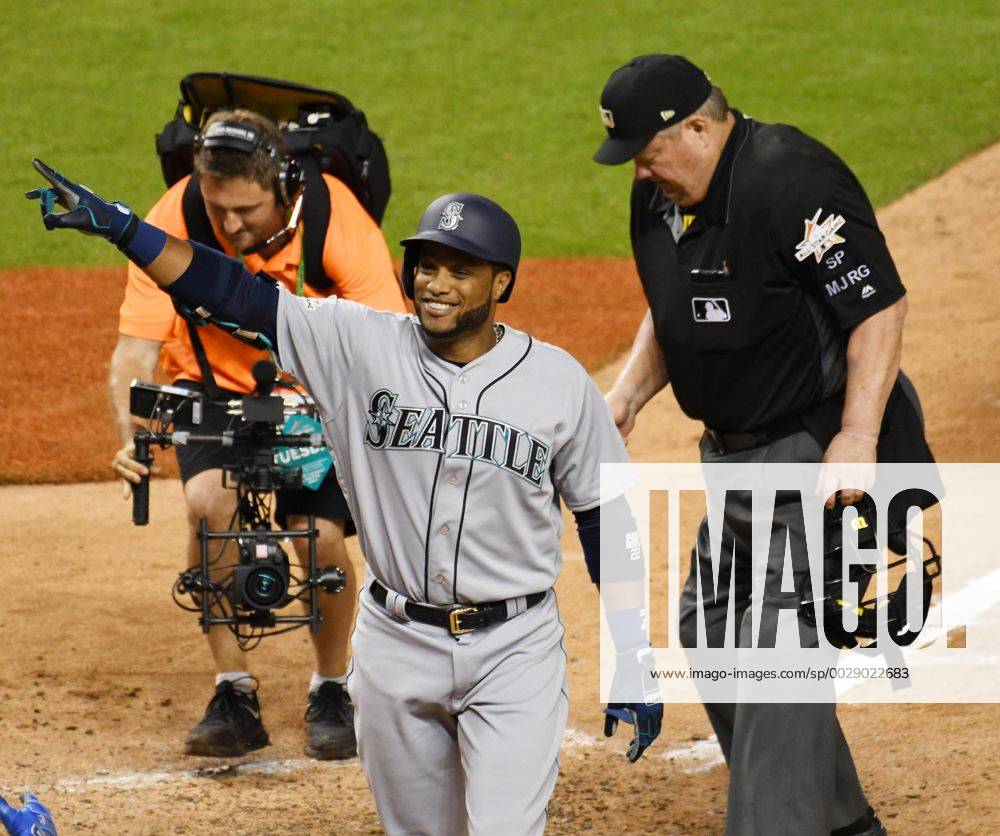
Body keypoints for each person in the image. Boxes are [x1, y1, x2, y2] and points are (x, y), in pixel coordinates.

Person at [27, 164, 663, 834]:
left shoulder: (559, 382)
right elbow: (234, 293)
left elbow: (606, 519)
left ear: (502, 283)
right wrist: (125, 229)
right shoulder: (358, 344)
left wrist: (634, 655)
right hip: (396, 646)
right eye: (425, 266)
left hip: (515, 650)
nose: (436, 284)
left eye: (460, 270)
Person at [593, 54, 938, 836]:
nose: (641, 173)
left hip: (816, 452)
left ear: (699, 127)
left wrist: (856, 437)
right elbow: (676, 307)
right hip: (735, 463)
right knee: (712, 627)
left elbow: (877, 308)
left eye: (648, 153)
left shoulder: (791, 181)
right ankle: (843, 824)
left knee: (780, 647)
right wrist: (627, 396)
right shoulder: (662, 195)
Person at [107, 108, 407, 760]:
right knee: (206, 505)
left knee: (319, 535)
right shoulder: (175, 217)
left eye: (246, 210)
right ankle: (233, 689)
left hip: (316, 391)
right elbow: (135, 351)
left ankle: (334, 687)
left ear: (282, 186)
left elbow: (389, 340)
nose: (231, 225)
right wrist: (134, 435)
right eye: (219, 208)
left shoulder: (331, 215)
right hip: (211, 389)